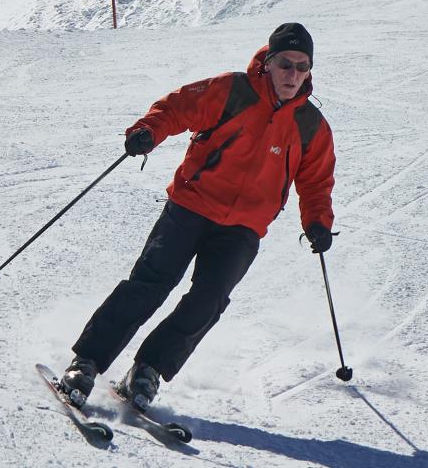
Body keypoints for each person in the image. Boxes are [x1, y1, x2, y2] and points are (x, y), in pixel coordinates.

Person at [56, 22, 337, 412]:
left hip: (243, 228)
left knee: (208, 302)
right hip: (191, 206)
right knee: (149, 285)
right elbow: (176, 108)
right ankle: (86, 361)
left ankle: (147, 369)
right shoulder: (231, 90)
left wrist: (318, 222)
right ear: (269, 62)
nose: (293, 74)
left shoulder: (311, 125)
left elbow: (316, 181)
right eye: (285, 64)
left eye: (302, 66)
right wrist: (147, 132)